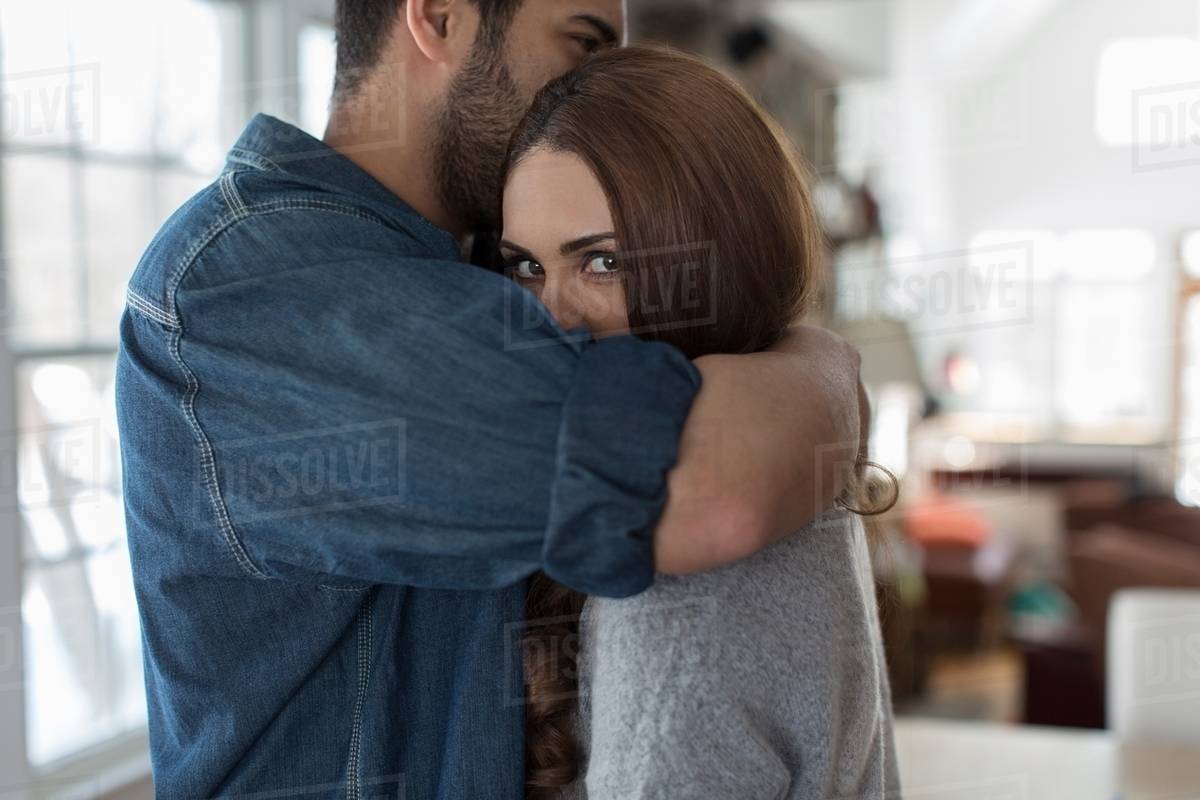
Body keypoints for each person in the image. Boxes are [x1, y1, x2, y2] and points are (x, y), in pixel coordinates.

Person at [115, 1, 864, 797]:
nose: (593, 86)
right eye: (581, 42)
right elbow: (711, 491)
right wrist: (829, 370)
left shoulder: (470, 278)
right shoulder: (260, 283)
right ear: (437, 17)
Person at [505, 47, 901, 799]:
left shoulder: (681, 569)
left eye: (602, 263)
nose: (549, 318)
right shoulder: (781, 459)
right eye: (526, 267)